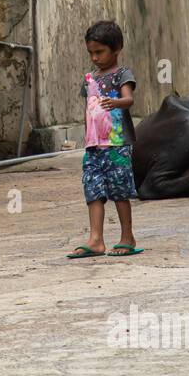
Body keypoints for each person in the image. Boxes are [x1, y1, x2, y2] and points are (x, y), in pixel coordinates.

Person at [68, 21, 144, 259]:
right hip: (94, 146)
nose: (95, 57)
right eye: (91, 52)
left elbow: (128, 99)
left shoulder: (123, 74)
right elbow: (88, 108)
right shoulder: (89, 78)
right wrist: (88, 135)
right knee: (93, 189)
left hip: (117, 146)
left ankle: (127, 237)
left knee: (120, 191)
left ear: (117, 48)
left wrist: (115, 103)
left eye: (99, 52)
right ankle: (96, 240)